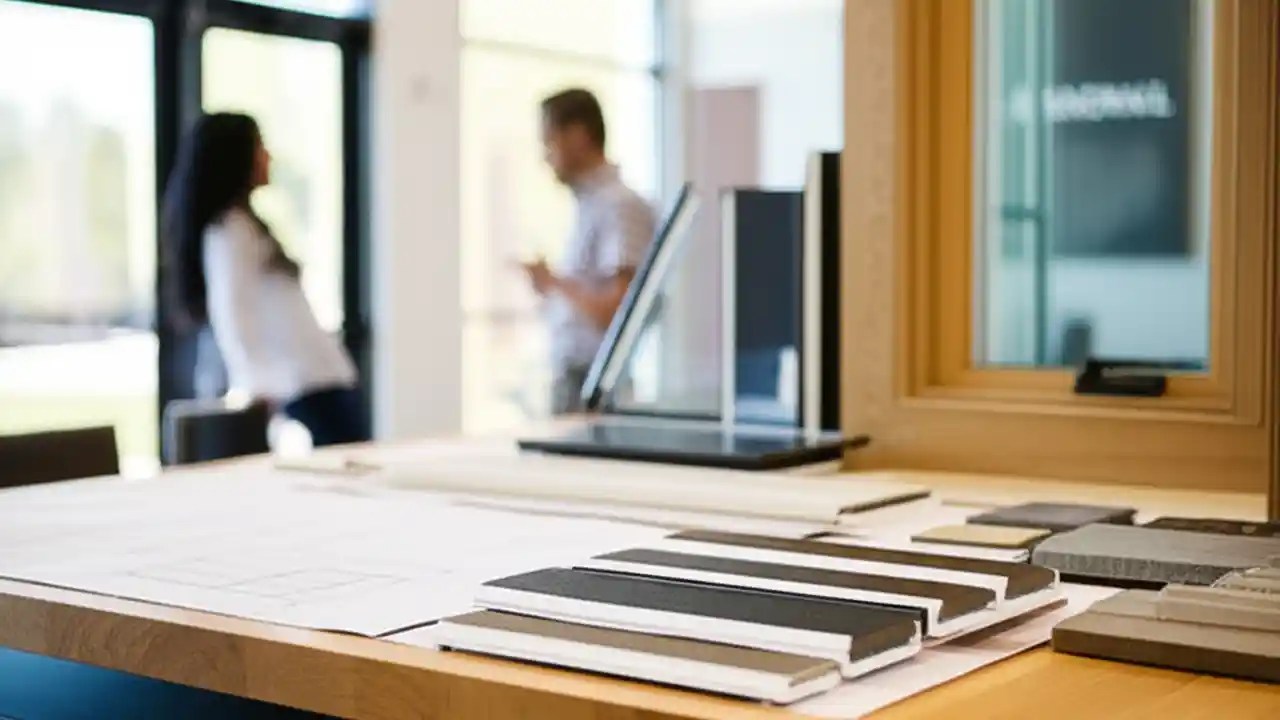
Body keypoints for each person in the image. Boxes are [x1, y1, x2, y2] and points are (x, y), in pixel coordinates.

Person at [162, 113, 367, 447]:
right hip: (299, 387)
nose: (268, 156)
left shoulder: (247, 227)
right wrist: (260, 383)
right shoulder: (229, 232)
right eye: (260, 147)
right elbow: (233, 314)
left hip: (319, 381)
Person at [522, 88, 657, 415]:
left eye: (549, 142)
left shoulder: (620, 206)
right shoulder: (590, 205)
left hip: (593, 384)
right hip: (575, 380)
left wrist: (554, 283)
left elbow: (617, 311)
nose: (545, 157)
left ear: (578, 136)